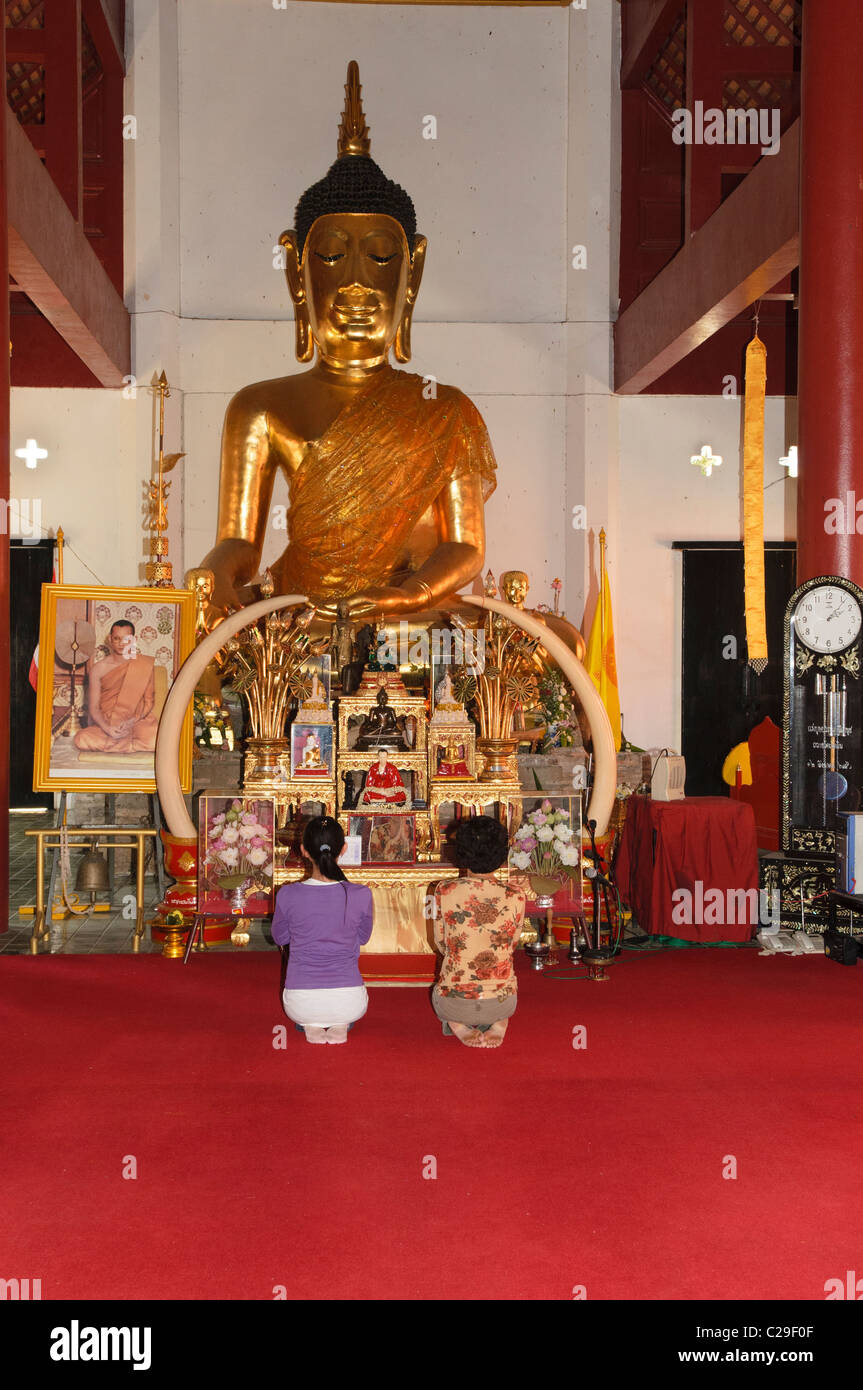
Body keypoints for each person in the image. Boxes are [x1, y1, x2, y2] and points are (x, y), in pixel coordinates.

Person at [271, 816, 373, 1045]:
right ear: (344, 849)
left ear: (304, 851)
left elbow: (279, 937)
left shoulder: (287, 894)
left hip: (299, 1003)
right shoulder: (360, 894)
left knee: (307, 1011)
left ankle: (311, 1023)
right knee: (346, 1010)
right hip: (350, 1002)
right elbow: (363, 937)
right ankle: (341, 1023)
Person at [432, 816, 525, 1049]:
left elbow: (440, 942)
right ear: (502, 854)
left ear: (461, 851)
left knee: (443, 994)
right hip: (504, 1002)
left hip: (452, 1003)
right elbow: (512, 942)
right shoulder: (516, 894)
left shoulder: (444, 890)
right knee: (505, 981)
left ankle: (458, 1025)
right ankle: (499, 1023)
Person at [73, 620, 158, 754]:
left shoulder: (144, 664)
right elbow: (94, 709)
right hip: (108, 721)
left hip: (138, 720)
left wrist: (132, 721)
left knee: (156, 739)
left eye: (126, 639)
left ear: (134, 640)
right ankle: (130, 745)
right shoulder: (98, 669)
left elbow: (149, 703)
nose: (121, 643)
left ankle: (120, 745)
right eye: (117, 638)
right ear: (110, 639)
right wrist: (107, 729)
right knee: (81, 739)